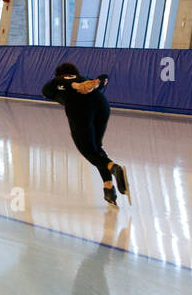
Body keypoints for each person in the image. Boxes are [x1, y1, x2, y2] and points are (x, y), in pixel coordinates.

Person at [41, 61, 130, 205]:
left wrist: (65, 85)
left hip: (80, 111)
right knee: (96, 148)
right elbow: (104, 79)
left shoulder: (56, 83)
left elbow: (45, 91)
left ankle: (113, 167)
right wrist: (97, 81)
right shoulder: (84, 78)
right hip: (102, 105)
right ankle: (109, 189)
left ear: (59, 74)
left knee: (88, 151)